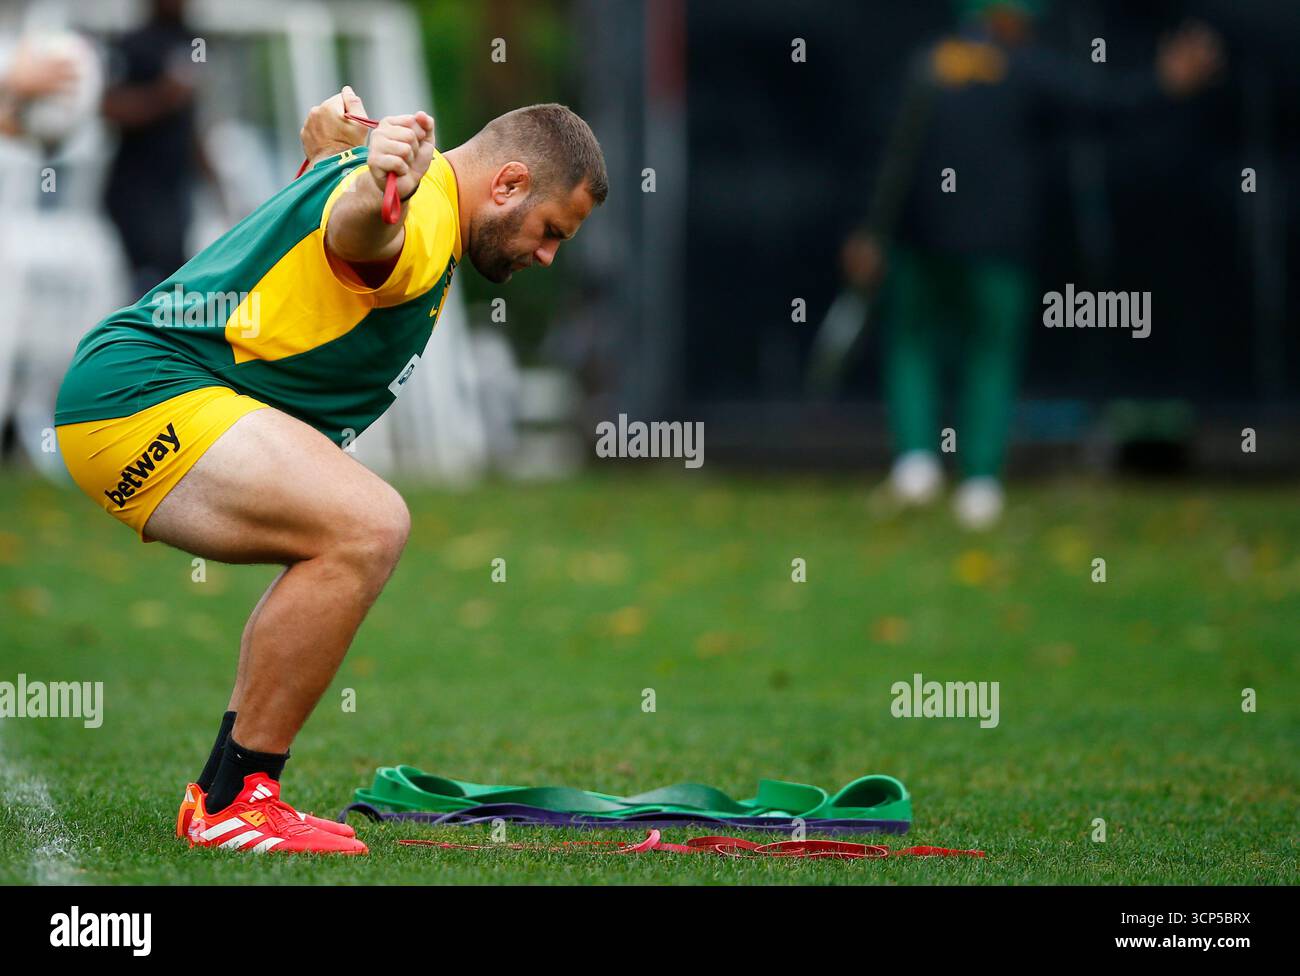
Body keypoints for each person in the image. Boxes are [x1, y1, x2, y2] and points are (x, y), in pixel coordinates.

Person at [53, 88, 607, 854]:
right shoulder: (424, 218)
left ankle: (222, 796)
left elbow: (321, 227)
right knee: (365, 525)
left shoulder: (405, 190)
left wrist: (337, 160)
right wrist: (371, 194)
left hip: (128, 391)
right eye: (551, 231)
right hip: (142, 400)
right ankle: (240, 801)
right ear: (508, 184)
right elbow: (362, 236)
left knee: (344, 532)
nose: (546, 254)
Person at [842, 0, 1221, 529]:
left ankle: (917, 465)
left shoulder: (927, 63)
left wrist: (870, 230)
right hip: (994, 249)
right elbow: (1103, 105)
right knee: (987, 357)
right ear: (1010, 18)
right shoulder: (1027, 69)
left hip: (920, 240)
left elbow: (885, 153)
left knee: (913, 345)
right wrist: (1164, 83)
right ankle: (977, 485)